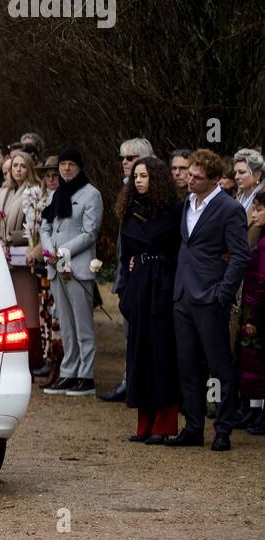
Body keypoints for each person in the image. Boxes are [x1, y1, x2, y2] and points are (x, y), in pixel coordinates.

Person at [168, 148, 251, 450]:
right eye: (188, 174)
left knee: (220, 366)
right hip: (183, 296)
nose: (188, 180)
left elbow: (241, 255)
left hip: (211, 297)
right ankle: (193, 426)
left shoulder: (229, 209)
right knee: (188, 364)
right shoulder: (186, 203)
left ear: (214, 180)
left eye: (196, 177)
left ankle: (223, 429)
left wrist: (223, 292)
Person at [114, 157, 183, 443]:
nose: (139, 180)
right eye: (136, 176)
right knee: (140, 353)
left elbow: (180, 250)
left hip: (164, 283)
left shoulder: (174, 211)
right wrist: (127, 291)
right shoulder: (130, 211)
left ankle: (165, 422)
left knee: (162, 354)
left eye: (144, 176)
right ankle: (145, 421)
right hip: (140, 284)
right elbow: (125, 255)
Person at [40, 144, 103, 396]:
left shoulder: (91, 194)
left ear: (79, 168)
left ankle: (85, 375)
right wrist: (48, 251)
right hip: (55, 266)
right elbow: (46, 227)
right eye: (63, 164)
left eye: (71, 165)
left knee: (83, 324)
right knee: (65, 324)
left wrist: (63, 251)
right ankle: (69, 371)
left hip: (76, 267)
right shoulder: (57, 194)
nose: (66, 169)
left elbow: (90, 232)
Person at [101, 137, 157, 402]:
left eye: (131, 158)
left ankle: (137, 382)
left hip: (148, 274)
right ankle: (130, 379)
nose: (125, 163)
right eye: (123, 158)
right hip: (130, 272)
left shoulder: (153, 196)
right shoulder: (127, 191)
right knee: (129, 333)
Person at [0, 150, 45, 375]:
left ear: (29, 168)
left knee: (27, 308)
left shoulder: (33, 192)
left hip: (23, 256)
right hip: (4, 256)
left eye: (23, 166)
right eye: (15, 166)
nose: (19, 170)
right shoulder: (1, 192)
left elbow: (35, 229)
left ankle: (33, 358)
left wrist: (11, 239)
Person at [236, 189, 265, 435]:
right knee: (254, 362)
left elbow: (262, 280)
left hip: (258, 310)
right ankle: (254, 409)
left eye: (259, 211)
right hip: (254, 306)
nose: (254, 216)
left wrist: (253, 314)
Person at [33, 155, 62, 381]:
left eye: (55, 175)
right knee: (44, 313)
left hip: (58, 260)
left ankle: (58, 361)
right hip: (42, 266)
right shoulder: (40, 200)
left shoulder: (62, 199)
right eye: (48, 176)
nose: (51, 180)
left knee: (56, 318)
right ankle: (48, 357)